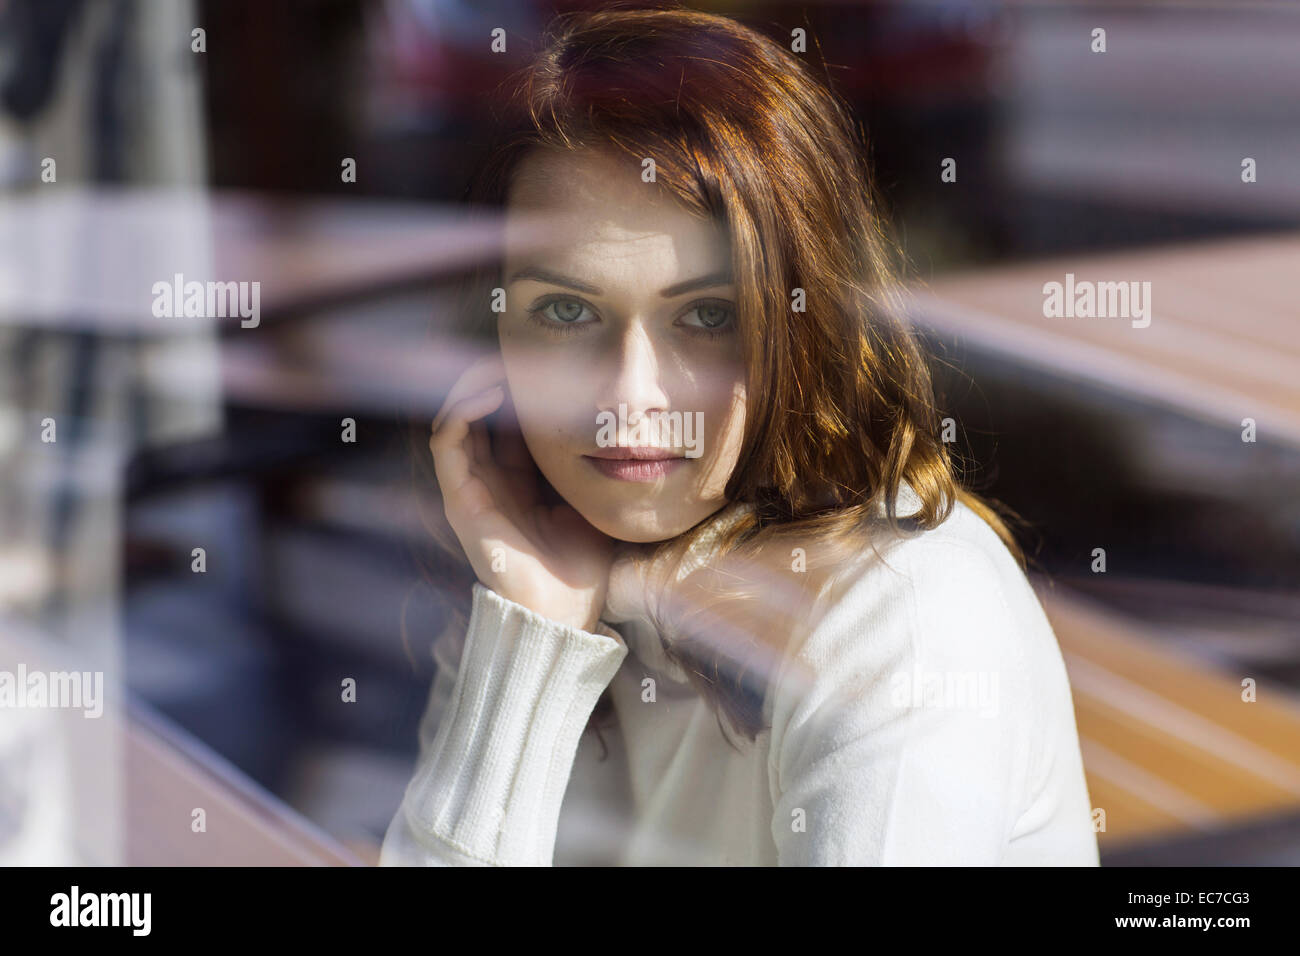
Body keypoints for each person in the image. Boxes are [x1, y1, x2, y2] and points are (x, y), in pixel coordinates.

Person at [380, 5, 1099, 866]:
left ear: (804, 330)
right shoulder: (546, 576)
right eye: (566, 310)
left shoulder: (898, 621)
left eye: (708, 316)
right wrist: (533, 642)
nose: (630, 397)